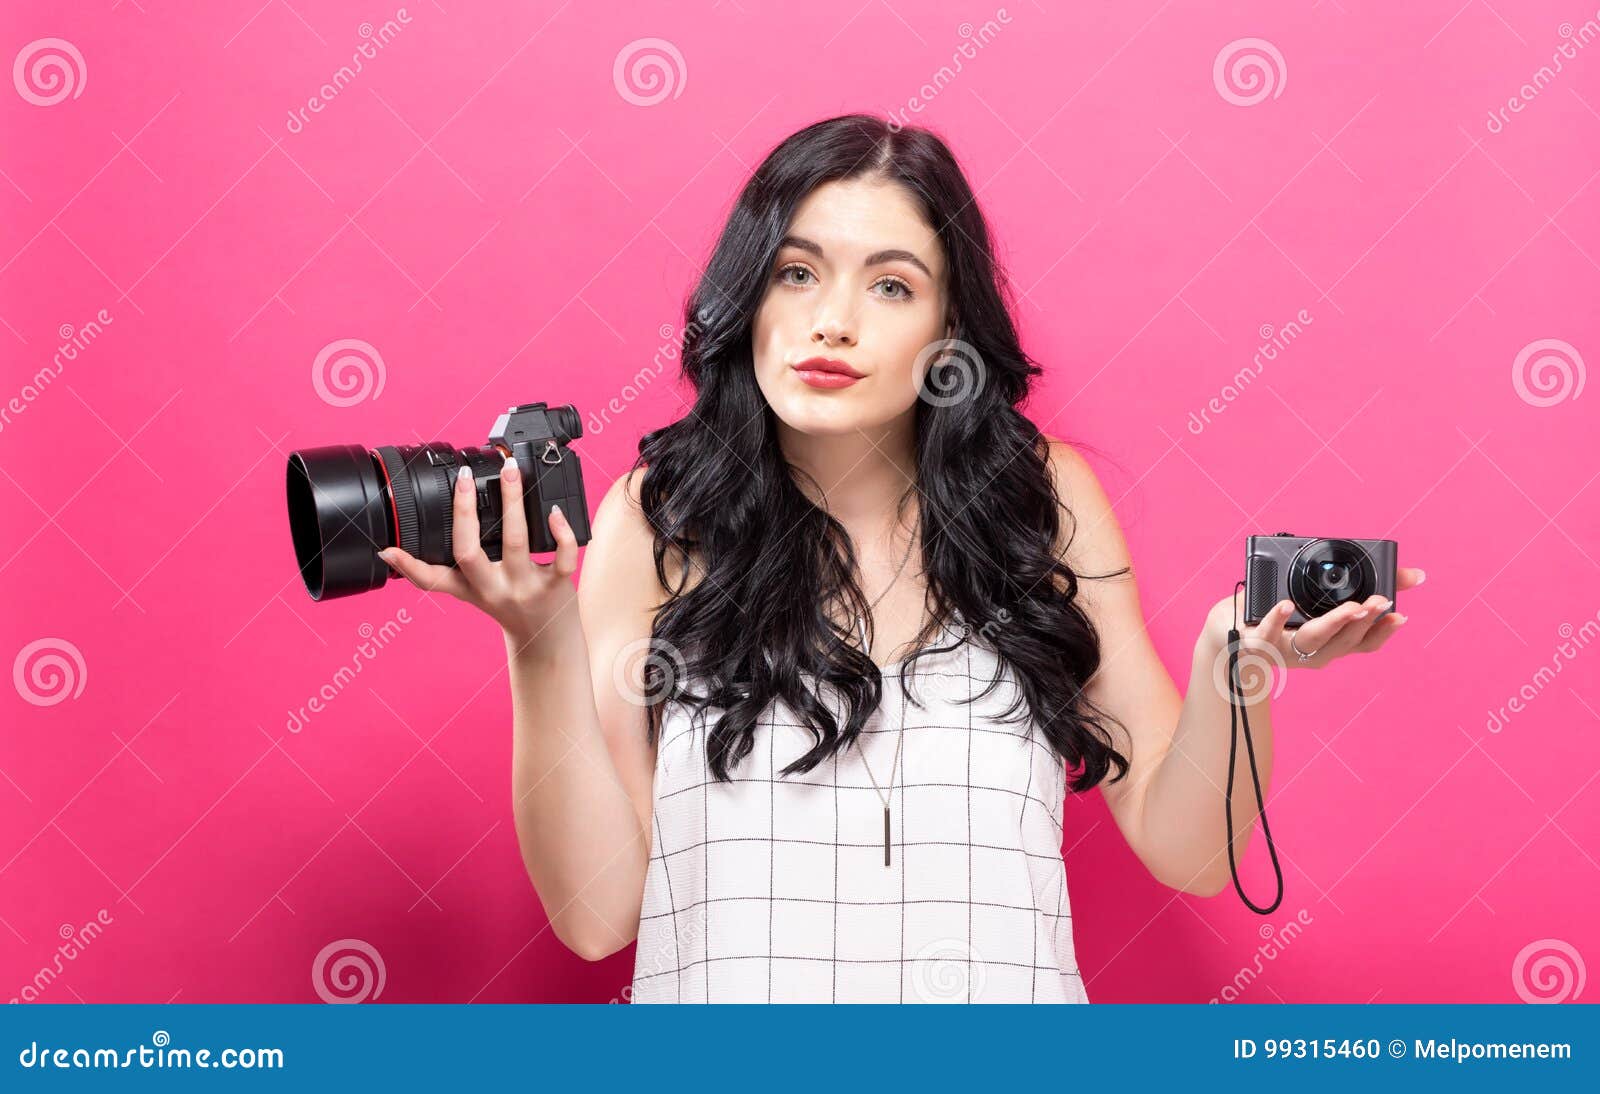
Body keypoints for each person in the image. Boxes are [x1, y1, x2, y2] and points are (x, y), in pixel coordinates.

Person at [377, 113, 1425, 1003]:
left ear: (946, 329)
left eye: (889, 285)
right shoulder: (659, 521)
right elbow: (598, 913)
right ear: (746, 294)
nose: (829, 320)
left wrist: (1237, 667)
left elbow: (1188, 848)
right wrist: (540, 639)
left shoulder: (1042, 503)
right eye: (796, 272)